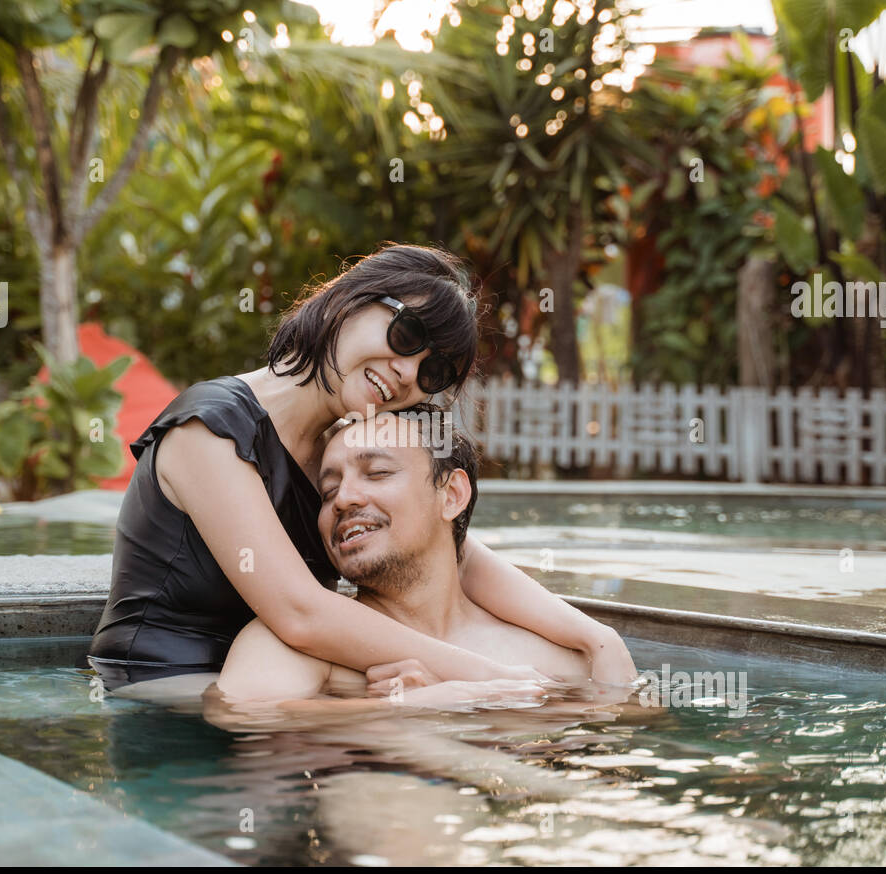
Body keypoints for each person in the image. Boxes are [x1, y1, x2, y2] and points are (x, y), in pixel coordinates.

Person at [88, 242, 636, 692]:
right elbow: (300, 614)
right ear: (350, 300)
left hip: (283, 674)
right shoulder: (208, 431)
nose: (405, 372)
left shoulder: (336, 445)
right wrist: (488, 678)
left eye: (432, 373)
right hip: (163, 685)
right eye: (407, 335)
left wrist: (596, 639)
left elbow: (458, 554)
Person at [214, 408, 629, 710]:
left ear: (451, 496)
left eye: (376, 473)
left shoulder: (552, 656)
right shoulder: (298, 645)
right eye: (328, 492)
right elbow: (242, 715)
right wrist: (420, 705)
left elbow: (631, 728)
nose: (343, 499)